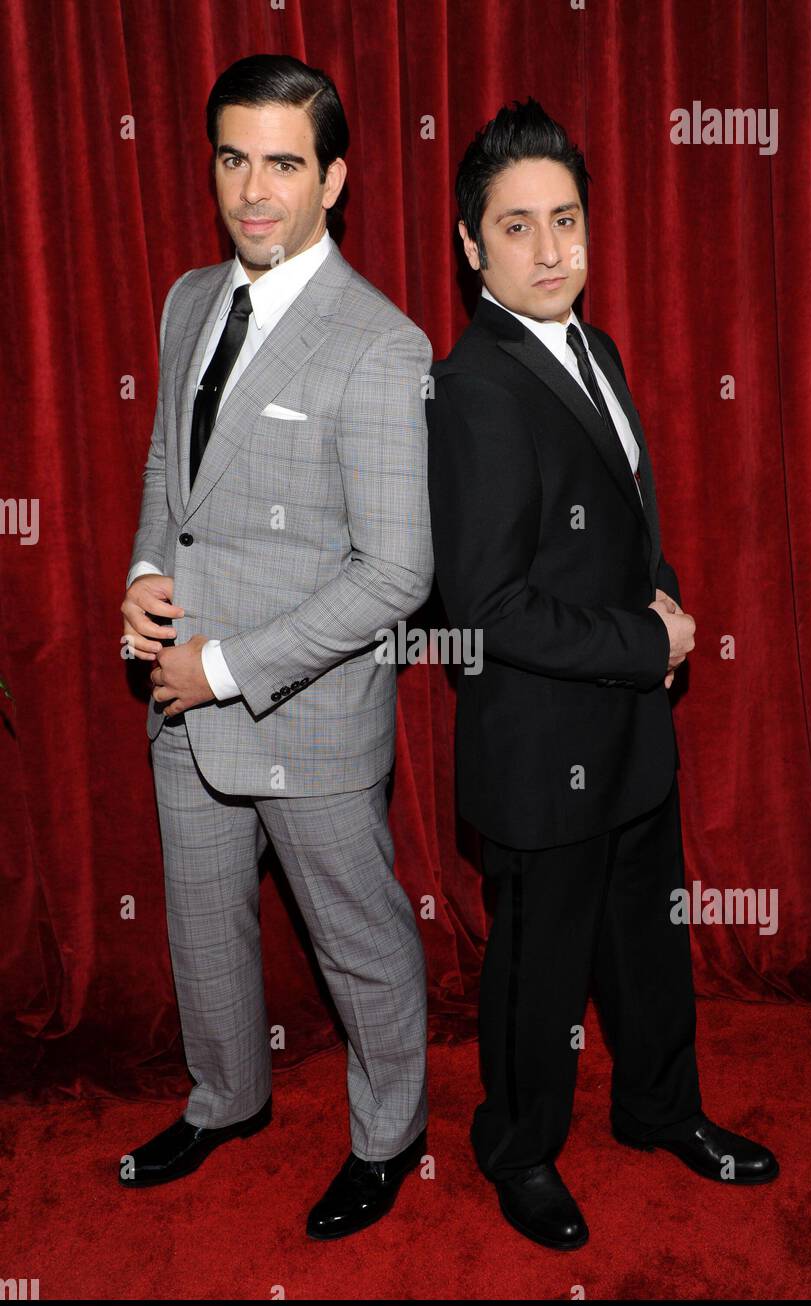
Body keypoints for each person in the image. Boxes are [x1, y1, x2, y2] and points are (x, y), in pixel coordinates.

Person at [425, 98, 778, 1251]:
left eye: (563, 220)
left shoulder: (594, 343)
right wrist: (649, 644)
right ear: (471, 246)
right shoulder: (472, 387)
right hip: (538, 745)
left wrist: (660, 593)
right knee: (538, 970)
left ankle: (657, 1108)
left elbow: (614, 524)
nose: (547, 248)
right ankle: (519, 1149)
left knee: (646, 937)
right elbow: (479, 606)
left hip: (627, 722)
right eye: (515, 227)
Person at [119, 54, 433, 1240]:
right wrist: (150, 575)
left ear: (334, 179)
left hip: (299, 710)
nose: (254, 191)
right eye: (233, 159)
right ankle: (224, 1099)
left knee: (357, 943)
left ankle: (389, 1136)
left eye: (284, 164)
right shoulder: (188, 298)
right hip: (178, 688)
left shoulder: (380, 344)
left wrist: (230, 665)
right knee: (202, 926)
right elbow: (171, 471)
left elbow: (400, 574)